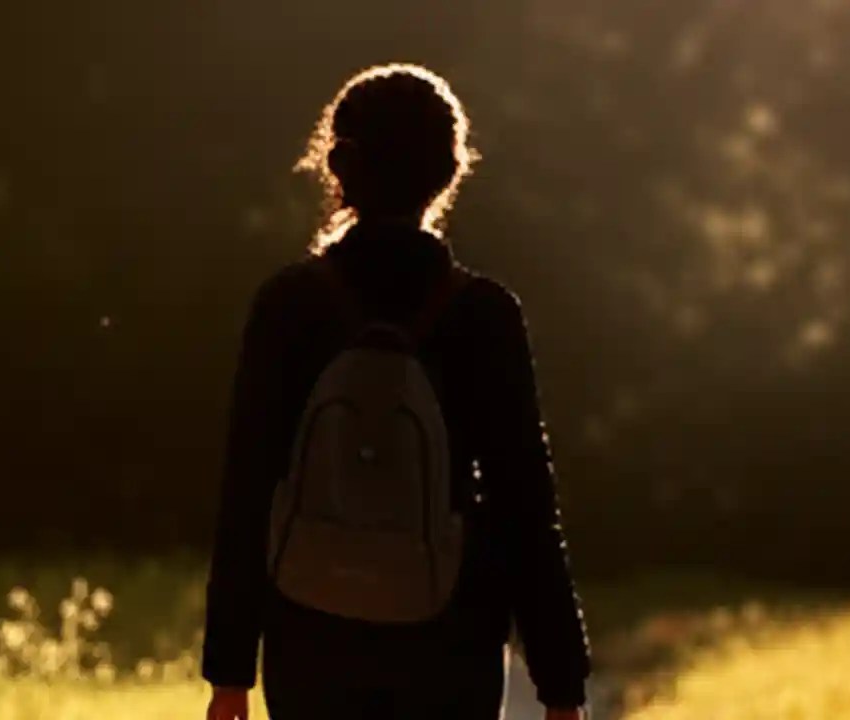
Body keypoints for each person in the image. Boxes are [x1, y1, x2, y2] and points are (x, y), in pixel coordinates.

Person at [203, 63, 591, 720]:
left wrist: (229, 673)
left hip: (310, 632)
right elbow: (527, 509)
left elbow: (246, 492)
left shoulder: (287, 306)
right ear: (448, 173)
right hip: (449, 641)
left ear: (340, 168)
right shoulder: (486, 315)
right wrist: (561, 688)